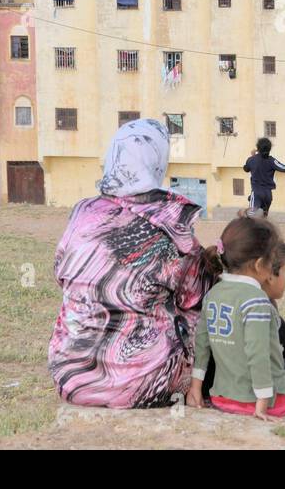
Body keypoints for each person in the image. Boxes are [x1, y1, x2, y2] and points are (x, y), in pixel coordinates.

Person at [47, 119, 211, 408]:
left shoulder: (81, 214)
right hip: (144, 382)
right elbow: (198, 297)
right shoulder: (172, 228)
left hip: (70, 375)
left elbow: (61, 273)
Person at [186, 216, 285, 419]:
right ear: (259, 265)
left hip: (222, 396)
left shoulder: (214, 294)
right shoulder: (256, 301)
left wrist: (195, 388)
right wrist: (263, 402)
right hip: (260, 398)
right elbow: (257, 355)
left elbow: (201, 344)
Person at [243, 137, 285, 218]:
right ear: (269, 149)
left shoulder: (251, 160)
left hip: (256, 193)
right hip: (268, 195)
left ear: (258, 148)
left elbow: (246, 169)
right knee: (263, 218)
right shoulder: (272, 161)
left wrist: (253, 156)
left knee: (250, 216)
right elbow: (284, 168)